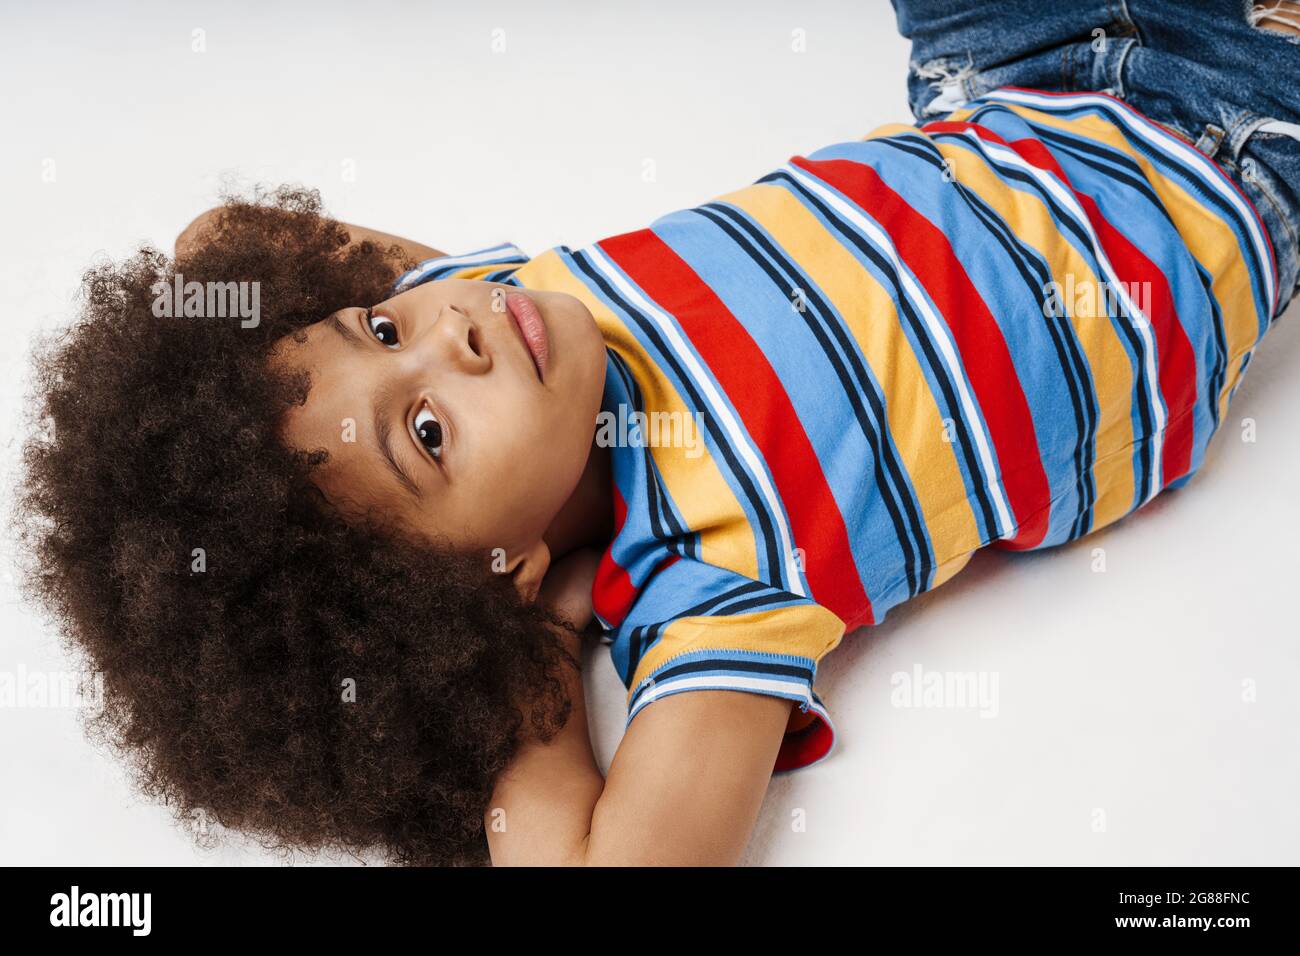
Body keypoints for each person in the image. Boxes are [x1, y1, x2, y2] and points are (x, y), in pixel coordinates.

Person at [19, 0, 1298, 866]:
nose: (442, 338)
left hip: (1007, 75)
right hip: (1225, 161)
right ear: (484, 574)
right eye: (422, 433)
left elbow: (219, 245)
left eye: (376, 322)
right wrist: (513, 658)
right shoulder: (715, 579)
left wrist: (340, 357)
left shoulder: (530, 300)